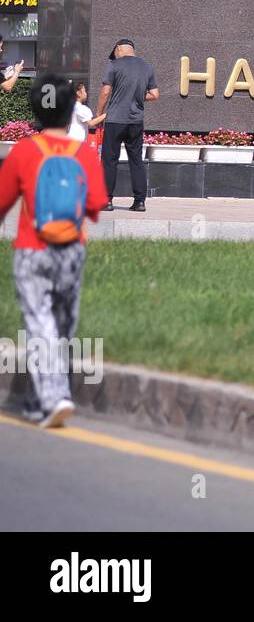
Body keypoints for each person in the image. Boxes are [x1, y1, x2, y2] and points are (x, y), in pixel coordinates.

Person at [0, 74, 108, 428]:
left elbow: (2, 202)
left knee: (39, 322)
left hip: (33, 248)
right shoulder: (85, 154)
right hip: (72, 249)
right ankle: (36, 401)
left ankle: (53, 397)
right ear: (69, 110)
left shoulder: (25, 150)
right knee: (61, 325)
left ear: (35, 111)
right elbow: (94, 206)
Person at [97, 39, 158, 212]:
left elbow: (105, 91)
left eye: (114, 53)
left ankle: (106, 201)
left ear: (118, 49)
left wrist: (99, 113)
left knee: (109, 160)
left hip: (115, 120)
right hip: (136, 122)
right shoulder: (147, 67)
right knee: (136, 160)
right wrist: (137, 96)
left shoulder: (114, 66)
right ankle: (139, 202)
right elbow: (154, 94)